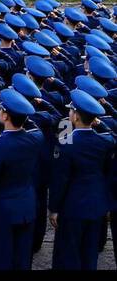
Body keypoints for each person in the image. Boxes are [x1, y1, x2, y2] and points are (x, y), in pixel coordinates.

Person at [49, 90, 115, 270]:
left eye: (71, 111)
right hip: (97, 203)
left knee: (68, 255)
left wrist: (54, 208)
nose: (69, 114)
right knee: (89, 253)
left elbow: (60, 180)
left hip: (72, 205)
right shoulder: (105, 141)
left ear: (76, 116)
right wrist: (99, 124)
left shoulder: (66, 143)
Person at [0, 89, 43, 270]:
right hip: (27, 205)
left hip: (3, 210)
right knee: (23, 259)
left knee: (2, 259)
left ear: (5, 115)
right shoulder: (34, 139)